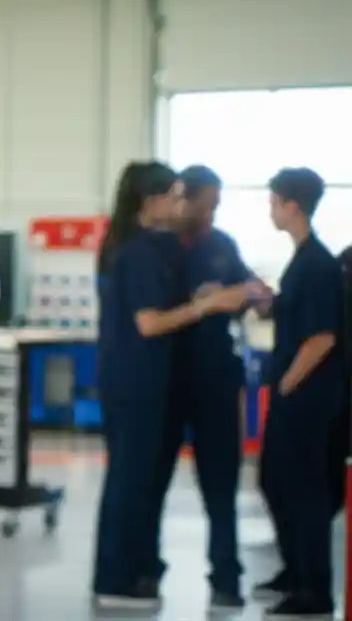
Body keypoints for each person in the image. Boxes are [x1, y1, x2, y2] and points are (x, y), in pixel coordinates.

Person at [91, 161, 252, 611]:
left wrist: (238, 298)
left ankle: (137, 574)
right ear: (154, 200)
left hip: (173, 386)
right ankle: (119, 578)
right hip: (139, 385)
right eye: (179, 197)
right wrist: (208, 304)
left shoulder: (187, 248)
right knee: (132, 482)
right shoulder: (142, 253)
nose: (185, 207)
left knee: (141, 482)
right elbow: (149, 322)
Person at [252, 167, 346, 617]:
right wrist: (269, 304)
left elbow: (323, 336)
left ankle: (314, 591)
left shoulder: (318, 264)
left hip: (308, 400)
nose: (270, 209)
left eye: (273, 202)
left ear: (292, 205)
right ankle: (294, 570)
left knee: (305, 492)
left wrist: (288, 383)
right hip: (295, 397)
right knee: (274, 481)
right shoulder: (302, 260)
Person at [163, 164, 257, 609]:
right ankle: (142, 571)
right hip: (165, 382)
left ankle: (226, 578)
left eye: (216, 206)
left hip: (217, 381)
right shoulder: (156, 249)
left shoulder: (222, 246)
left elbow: (246, 290)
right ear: (185, 199)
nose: (211, 214)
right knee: (148, 483)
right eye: (207, 205)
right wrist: (202, 304)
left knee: (221, 486)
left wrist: (254, 296)